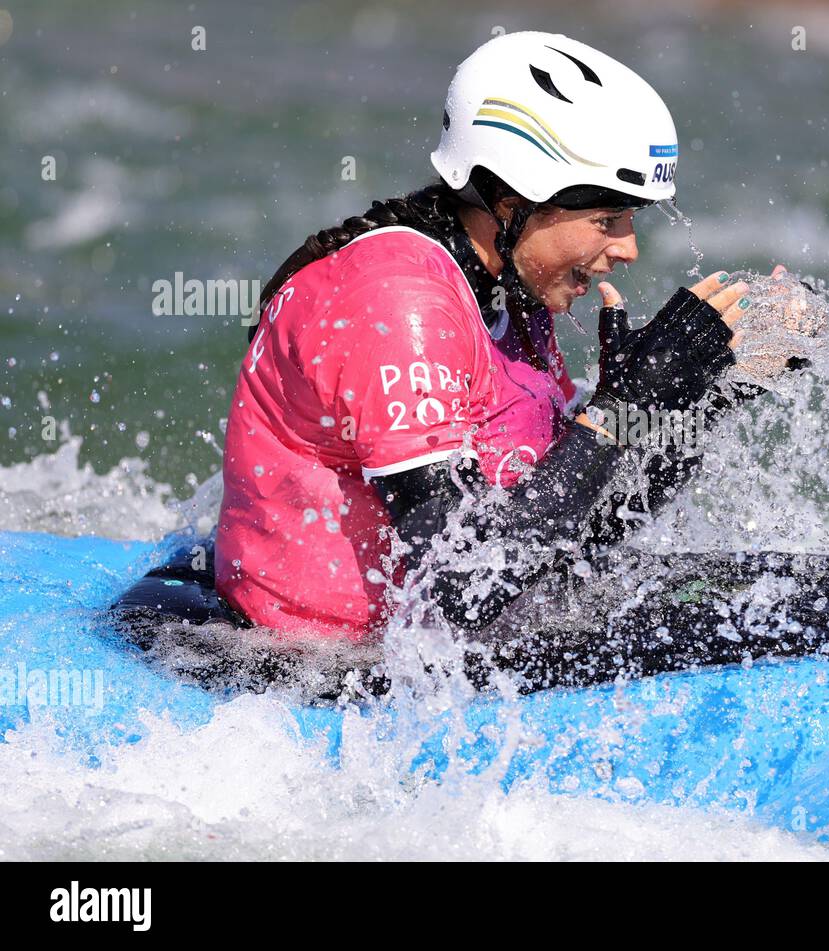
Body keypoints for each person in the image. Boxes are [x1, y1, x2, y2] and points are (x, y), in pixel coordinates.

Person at [214, 31, 788, 645]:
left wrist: (704, 394)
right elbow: (464, 583)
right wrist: (625, 408)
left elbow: (582, 526)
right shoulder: (398, 306)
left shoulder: (508, 287)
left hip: (445, 635)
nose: (628, 249)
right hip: (327, 669)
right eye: (607, 220)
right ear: (513, 205)